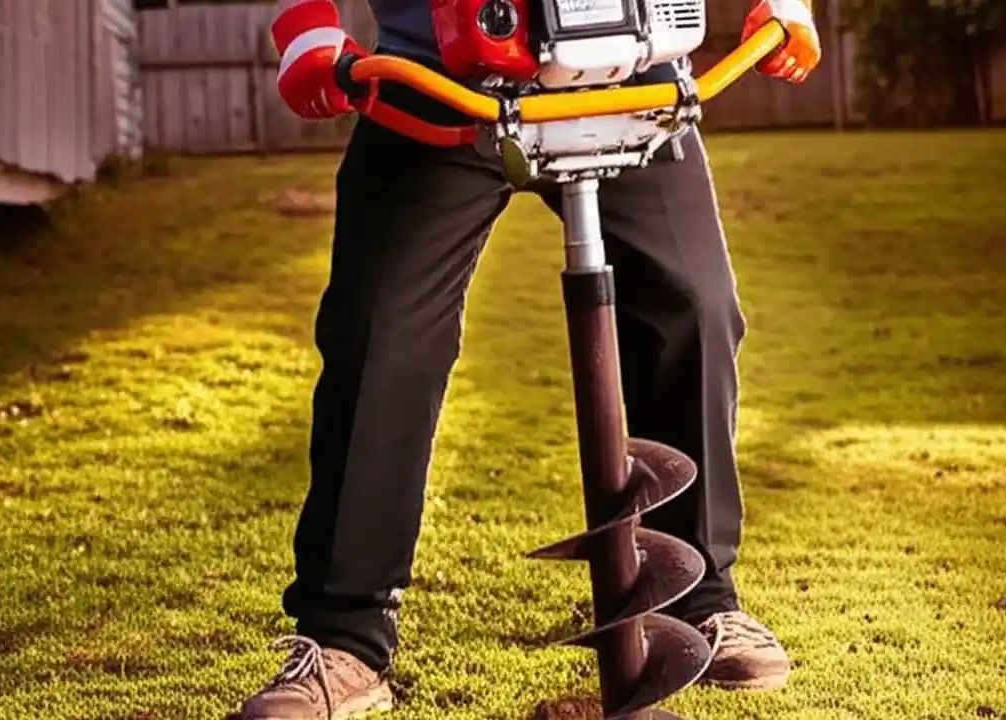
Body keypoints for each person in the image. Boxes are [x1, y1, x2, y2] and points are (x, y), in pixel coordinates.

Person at [238, 1, 822, 717]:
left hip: (630, 81)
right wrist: (308, 26)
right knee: (380, 337)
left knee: (696, 310)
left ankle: (701, 597)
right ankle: (344, 640)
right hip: (438, 84)